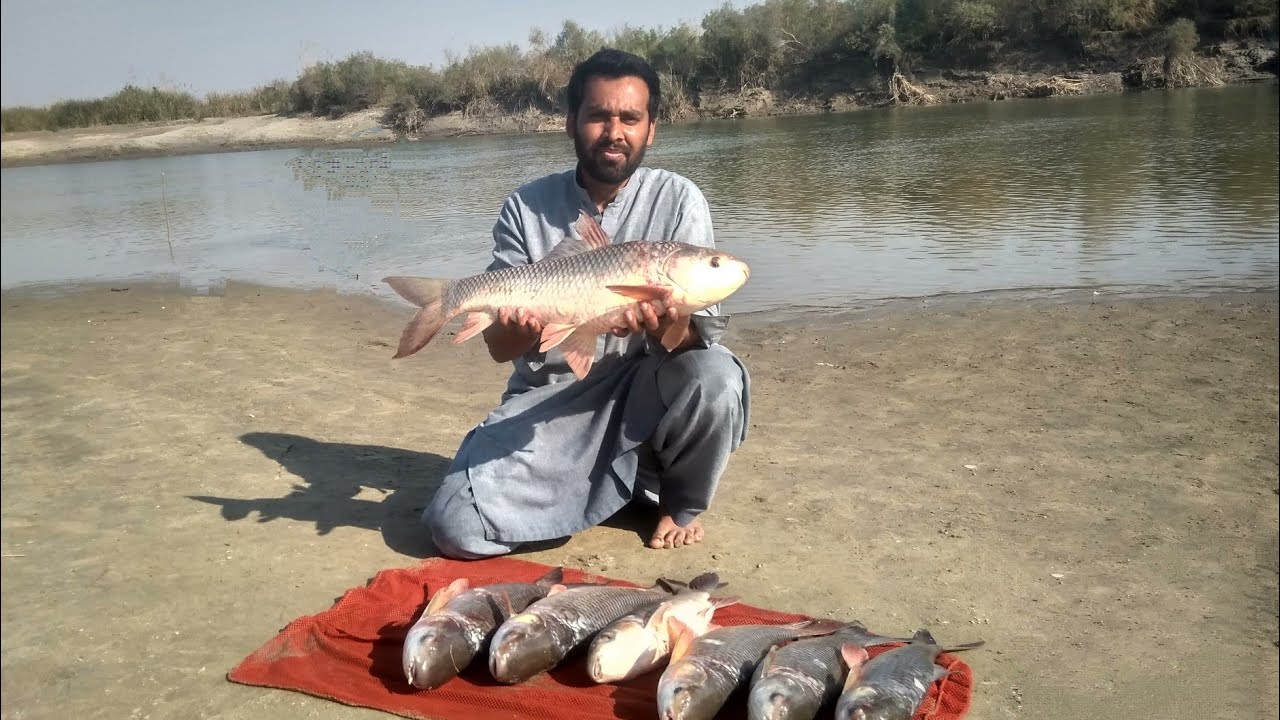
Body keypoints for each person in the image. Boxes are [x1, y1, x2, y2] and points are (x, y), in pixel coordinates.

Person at [422, 48, 750, 559]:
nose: (614, 130)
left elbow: (692, 346)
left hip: (645, 391)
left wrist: (665, 320)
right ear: (571, 122)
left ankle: (678, 503)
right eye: (598, 115)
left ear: (651, 128)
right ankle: (597, 487)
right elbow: (498, 347)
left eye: (630, 118)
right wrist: (523, 325)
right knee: (453, 526)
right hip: (551, 405)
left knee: (718, 376)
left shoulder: (679, 198)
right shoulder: (524, 206)